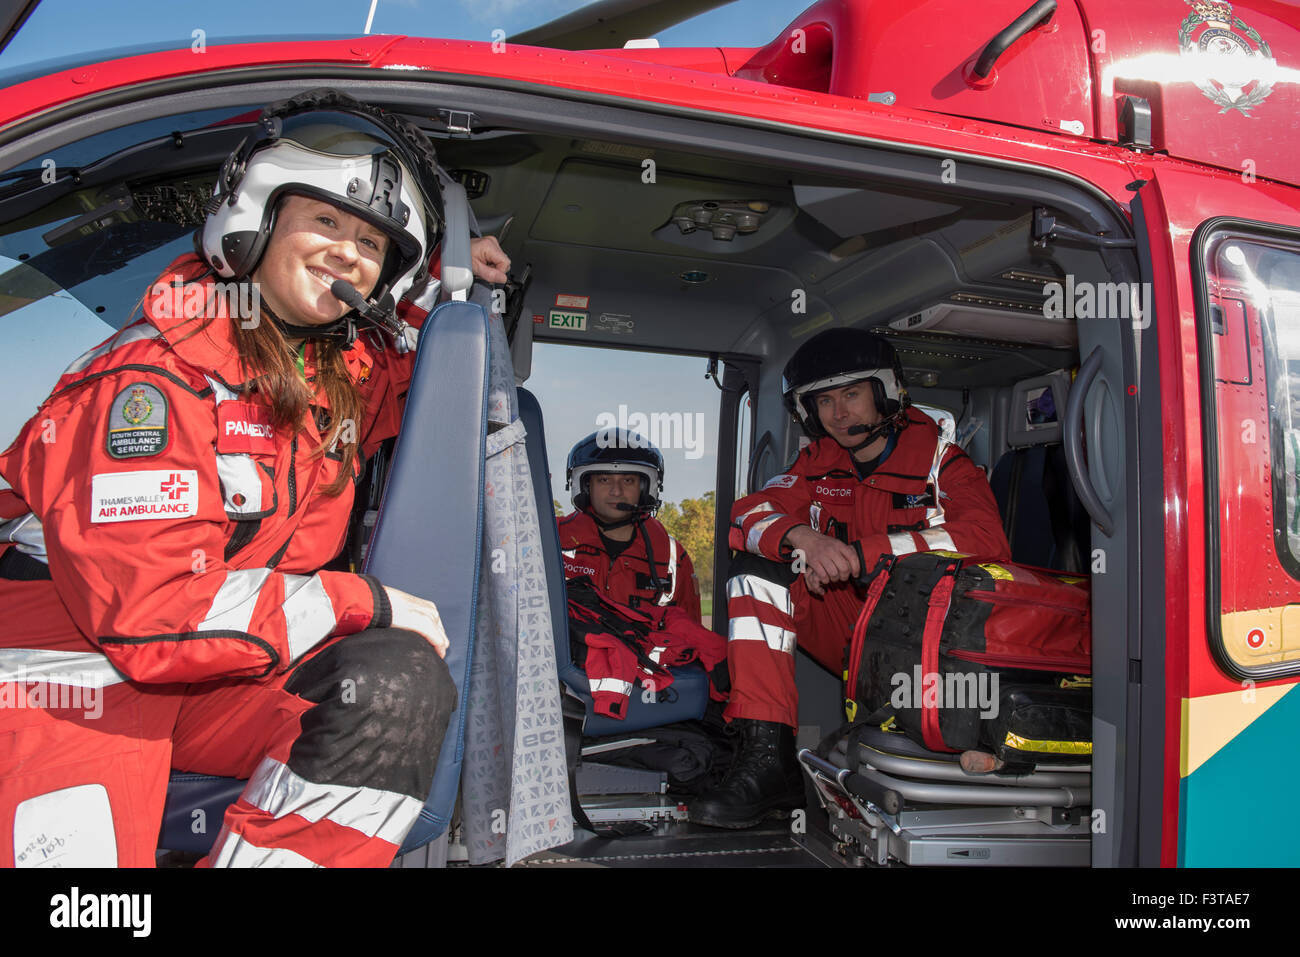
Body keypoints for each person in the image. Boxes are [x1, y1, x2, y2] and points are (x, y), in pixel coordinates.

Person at [0, 90, 510, 867]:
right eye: (328, 222)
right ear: (256, 217)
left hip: (214, 674)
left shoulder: (335, 376)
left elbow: (429, 384)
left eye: (373, 244)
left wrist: (456, 287)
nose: (349, 252)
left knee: (395, 688)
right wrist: (364, 601)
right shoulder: (149, 379)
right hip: (69, 673)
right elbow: (151, 615)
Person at [688, 328, 1011, 828]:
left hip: (921, 641)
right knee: (757, 569)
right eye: (824, 402)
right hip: (848, 631)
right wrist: (807, 540)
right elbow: (746, 517)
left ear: (884, 393)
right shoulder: (818, 463)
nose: (839, 414)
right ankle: (768, 758)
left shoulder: (938, 462)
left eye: (853, 395)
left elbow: (986, 540)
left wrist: (862, 556)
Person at [558, 430, 702, 622]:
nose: (616, 491)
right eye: (604, 479)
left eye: (628, 480)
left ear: (645, 488)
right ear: (585, 486)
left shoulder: (672, 557)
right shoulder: (550, 540)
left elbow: (691, 638)